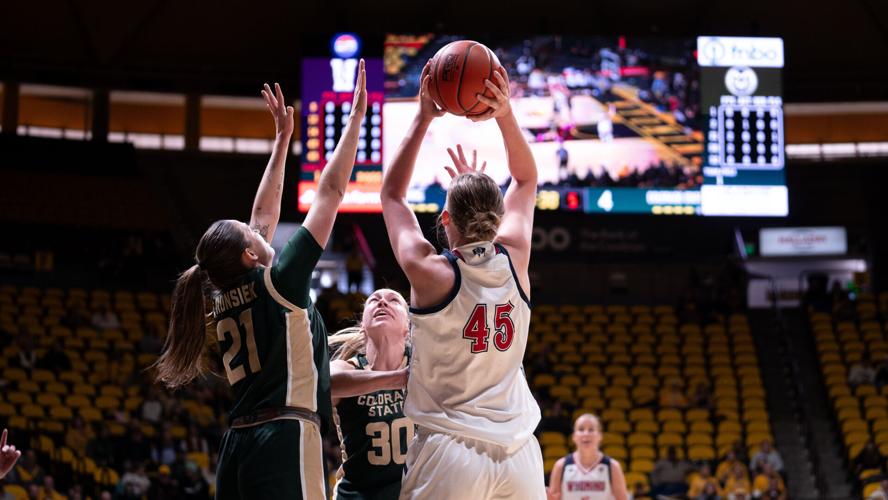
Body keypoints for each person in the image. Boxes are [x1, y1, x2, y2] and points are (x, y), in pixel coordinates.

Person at [155, 62, 367, 500]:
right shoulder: (282, 282)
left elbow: (261, 217)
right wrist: (356, 122)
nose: (259, 227)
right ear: (251, 253)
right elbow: (330, 193)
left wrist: (283, 140)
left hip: (238, 443)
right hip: (285, 434)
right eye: (252, 233)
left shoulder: (225, 294)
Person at [381, 62, 544, 499]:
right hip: (520, 452)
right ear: (498, 217)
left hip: (450, 449)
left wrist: (423, 116)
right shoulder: (515, 259)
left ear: (445, 219)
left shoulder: (431, 273)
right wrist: (504, 113)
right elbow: (526, 178)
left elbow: (392, 195)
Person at [328, 289, 411, 500]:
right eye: (374, 300)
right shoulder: (346, 367)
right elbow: (326, 384)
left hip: (414, 492)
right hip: (358, 494)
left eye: (394, 300)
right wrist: (401, 378)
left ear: (408, 327)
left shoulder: (424, 364)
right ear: (363, 326)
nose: (383, 302)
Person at [546, 413, 629, 500]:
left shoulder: (612, 466)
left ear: (600, 436)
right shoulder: (561, 465)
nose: (586, 433)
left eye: (591, 430)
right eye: (581, 429)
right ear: (574, 436)